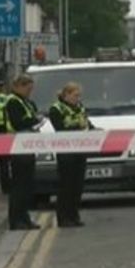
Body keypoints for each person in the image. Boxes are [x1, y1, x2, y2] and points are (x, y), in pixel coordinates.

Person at [48, 82, 97, 228]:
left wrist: (95, 130)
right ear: (66, 94)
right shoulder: (56, 109)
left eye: (79, 95)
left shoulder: (80, 106)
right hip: (66, 152)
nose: (78, 98)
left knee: (77, 186)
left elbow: (86, 122)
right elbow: (60, 128)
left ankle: (74, 215)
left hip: (80, 150)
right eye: (75, 95)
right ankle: (63, 218)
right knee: (66, 186)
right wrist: (78, 126)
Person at [4, 74, 43, 230]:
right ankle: (16, 220)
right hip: (17, 145)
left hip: (28, 145)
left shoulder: (25, 102)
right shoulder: (13, 102)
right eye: (27, 88)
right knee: (19, 186)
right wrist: (36, 120)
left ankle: (24, 218)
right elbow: (18, 123)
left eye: (31, 89)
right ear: (18, 86)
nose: (29, 92)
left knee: (27, 185)